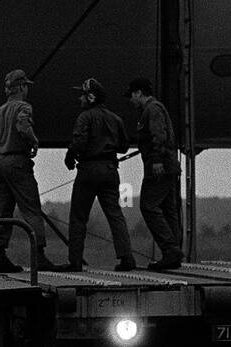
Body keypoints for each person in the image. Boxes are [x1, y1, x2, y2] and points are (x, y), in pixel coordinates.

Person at [0, 69, 60, 273]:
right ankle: (39, 256)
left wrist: (0, 159)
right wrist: (34, 142)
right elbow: (22, 126)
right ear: (20, 87)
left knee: (2, 211)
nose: (27, 89)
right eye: (26, 86)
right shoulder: (23, 106)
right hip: (18, 162)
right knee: (31, 209)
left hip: (0, 164)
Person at [64, 79, 136, 273]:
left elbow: (79, 142)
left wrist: (70, 156)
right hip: (110, 170)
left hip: (88, 170)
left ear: (90, 97)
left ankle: (75, 261)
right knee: (115, 215)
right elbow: (124, 146)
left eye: (82, 95)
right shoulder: (116, 119)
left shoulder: (84, 117)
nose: (80, 98)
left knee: (79, 217)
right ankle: (126, 257)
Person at [125, 77, 183, 271]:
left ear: (139, 93)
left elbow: (159, 135)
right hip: (168, 166)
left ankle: (170, 250)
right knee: (168, 209)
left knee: (148, 206)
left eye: (132, 95)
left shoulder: (152, 110)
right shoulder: (154, 109)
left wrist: (157, 160)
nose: (131, 100)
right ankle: (173, 252)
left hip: (159, 166)